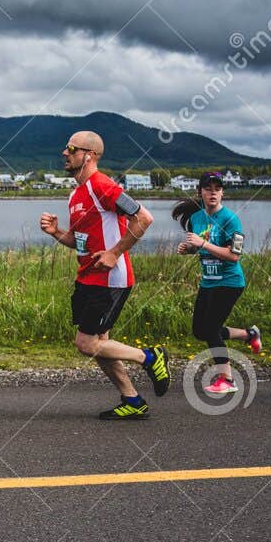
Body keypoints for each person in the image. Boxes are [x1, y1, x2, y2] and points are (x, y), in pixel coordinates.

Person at [39, 130, 169, 418]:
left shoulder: (102, 185)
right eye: (66, 147)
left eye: (71, 148)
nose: (65, 153)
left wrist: (114, 252)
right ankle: (132, 401)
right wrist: (57, 232)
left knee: (86, 344)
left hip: (110, 279)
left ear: (89, 155)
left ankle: (149, 357)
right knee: (101, 345)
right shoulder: (76, 194)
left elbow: (143, 217)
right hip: (87, 277)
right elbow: (80, 241)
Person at [172, 172, 261, 394]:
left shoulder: (231, 219)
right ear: (200, 192)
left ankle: (227, 380)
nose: (213, 192)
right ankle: (249, 334)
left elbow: (234, 255)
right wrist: (189, 249)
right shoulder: (197, 218)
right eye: (208, 188)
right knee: (200, 331)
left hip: (230, 282)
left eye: (217, 188)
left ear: (222, 192)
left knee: (211, 329)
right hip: (208, 282)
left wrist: (202, 243)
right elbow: (200, 246)